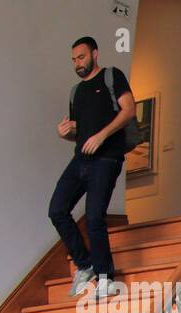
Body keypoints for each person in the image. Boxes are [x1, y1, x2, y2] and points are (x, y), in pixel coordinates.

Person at [50, 37, 136, 297]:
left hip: (107, 157)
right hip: (82, 159)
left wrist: (102, 135)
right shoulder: (76, 92)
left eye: (82, 57)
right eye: (74, 60)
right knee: (57, 209)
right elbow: (80, 133)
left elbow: (129, 110)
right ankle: (85, 264)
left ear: (94, 54)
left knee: (95, 216)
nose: (78, 63)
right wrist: (64, 133)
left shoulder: (112, 76)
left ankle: (105, 278)